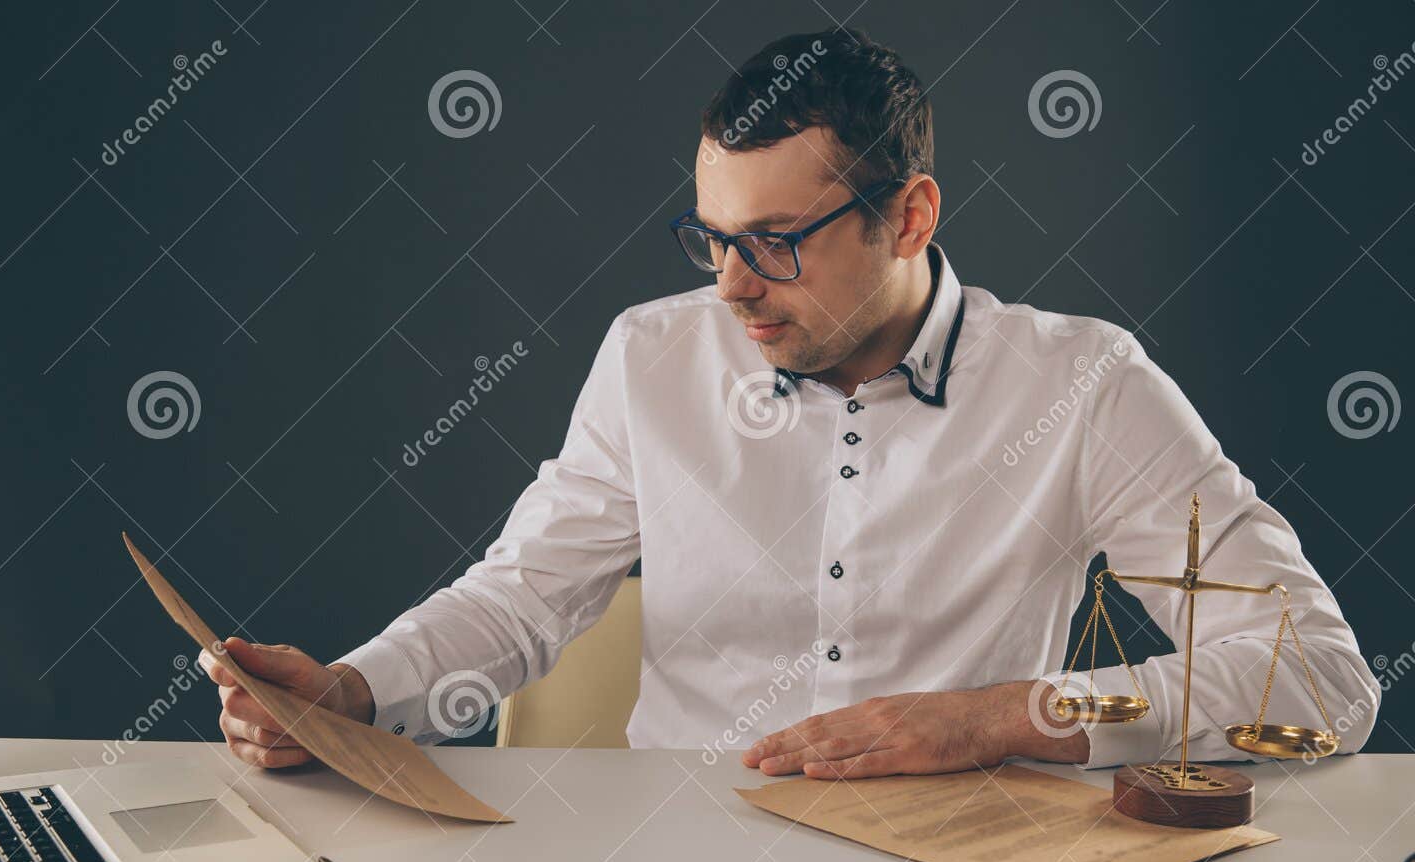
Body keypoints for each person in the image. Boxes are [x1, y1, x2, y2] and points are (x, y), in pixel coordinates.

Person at [204, 27, 1379, 779]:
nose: (727, 286)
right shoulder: (648, 356)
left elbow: (1318, 676)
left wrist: (1004, 716)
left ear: (909, 217)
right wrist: (351, 691)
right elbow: (521, 597)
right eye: (711, 238)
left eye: (773, 242)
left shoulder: (1082, 385)